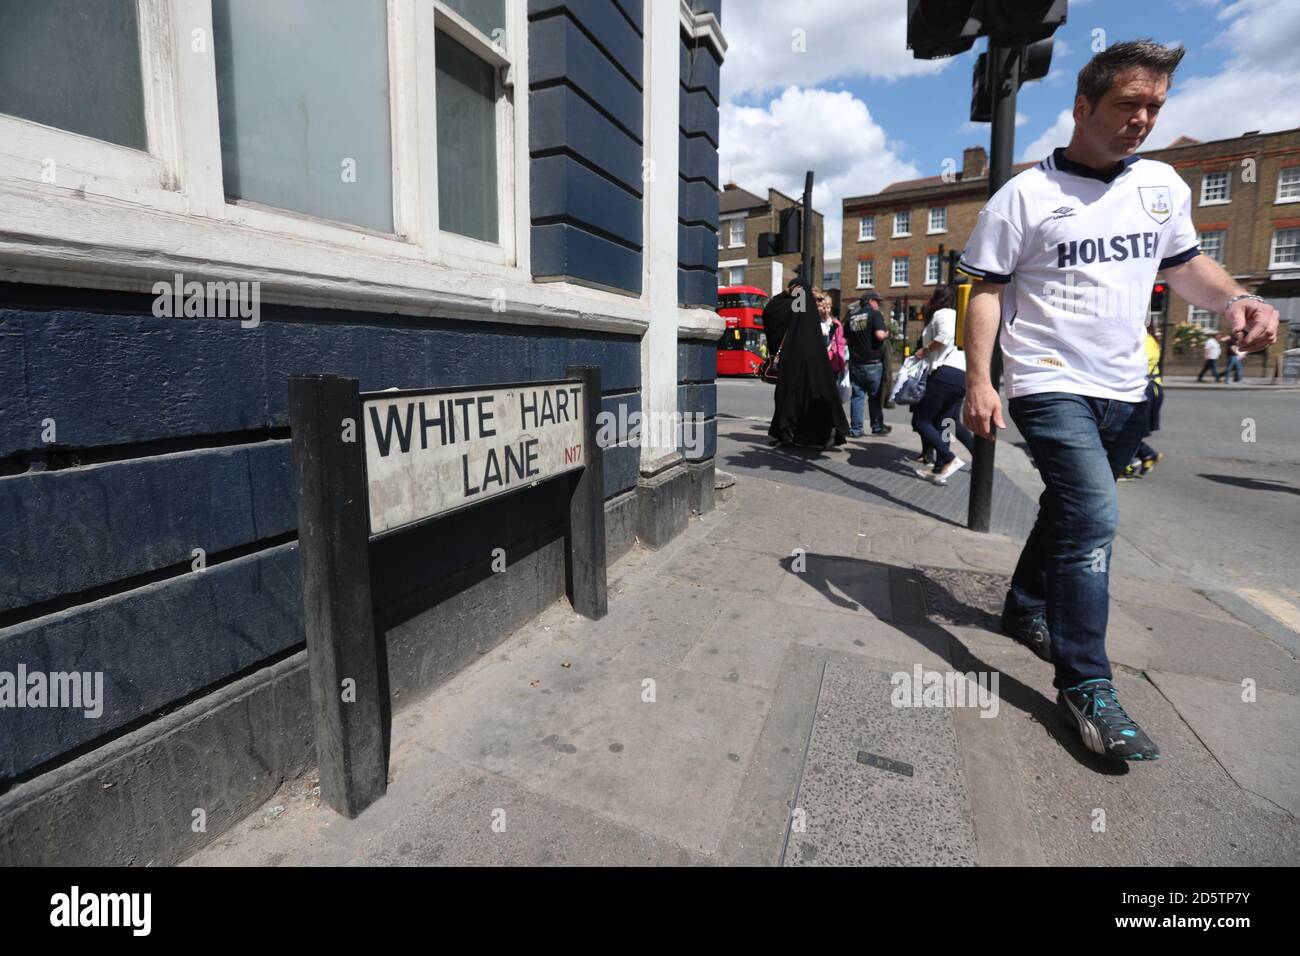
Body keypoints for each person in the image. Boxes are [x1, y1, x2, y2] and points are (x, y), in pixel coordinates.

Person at [959, 40, 1279, 762]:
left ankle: (1024, 607)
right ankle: (1086, 683)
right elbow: (985, 286)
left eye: (1155, 107)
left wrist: (1238, 298)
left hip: (1125, 388)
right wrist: (980, 378)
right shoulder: (1025, 196)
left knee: (1068, 510)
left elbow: (1186, 266)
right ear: (1082, 107)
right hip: (1046, 380)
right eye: (1129, 104)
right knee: (1096, 518)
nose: (1143, 119)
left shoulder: (1162, 186)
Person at [768, 280, 851, 448]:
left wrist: (785, 294)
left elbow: (769, 311)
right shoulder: (811, 314)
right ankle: (825, 433)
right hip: (815, 361)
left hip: (792, 361)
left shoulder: (790, 308)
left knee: (788, 398)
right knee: (816, 397)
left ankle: (786, 434)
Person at [910, 286, 975, 484]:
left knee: (920, 421)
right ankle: (940, 469)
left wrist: (924, 350)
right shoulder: (958, 315)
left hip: (945, 373)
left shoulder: (944, 313)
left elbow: (944, 336)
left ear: (938, 298)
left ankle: (949, 458)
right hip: (960, 373)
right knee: (945, 422)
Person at [843, 292, 892, 437]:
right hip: (872, 364)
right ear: (870, 301)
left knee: (857, 396)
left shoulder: (852, 316)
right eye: (877, 301)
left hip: (856, 363)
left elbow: (845, 339)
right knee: (875, 396)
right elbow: (879, 335)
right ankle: (877, 426)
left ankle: (856, 429)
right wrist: (887, 333)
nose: (878, 304)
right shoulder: (874, 314)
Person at [1122, 326, 1165, 479]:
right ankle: (1147, 456)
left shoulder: (1143, 338)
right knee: (1126, 429)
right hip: (1147, 387)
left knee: (1127, 429)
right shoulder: (1145, 337)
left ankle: (1126, 466)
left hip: (1146, 388)